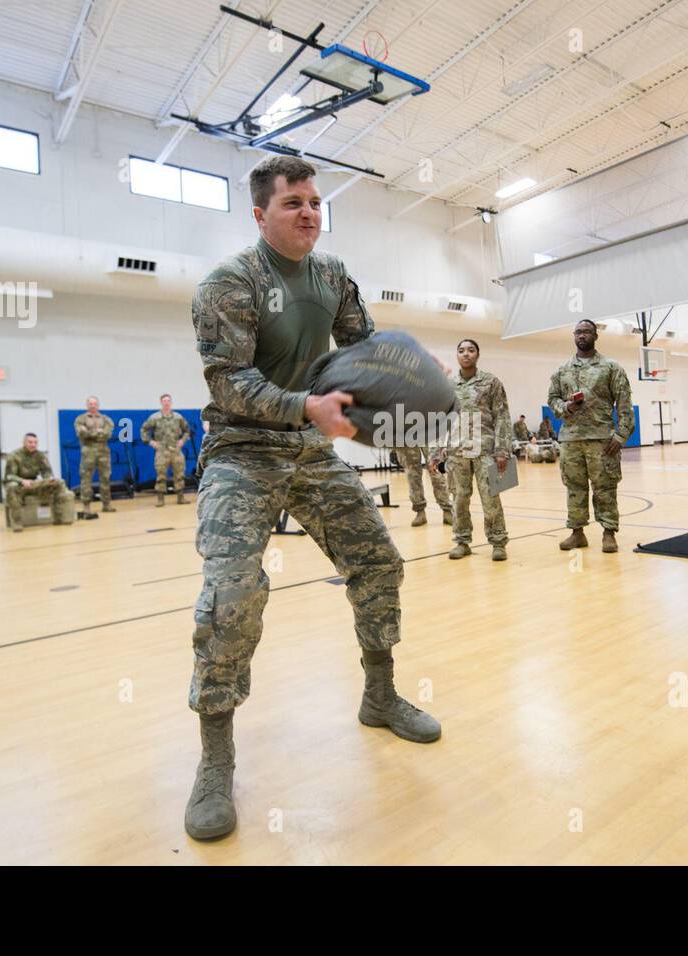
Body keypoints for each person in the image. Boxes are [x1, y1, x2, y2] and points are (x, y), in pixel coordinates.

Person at [185, 155, 440, 841]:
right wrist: (307, 406)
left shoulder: (332, 276)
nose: (308, 213)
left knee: (379, 563)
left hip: (308, 447)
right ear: (260, 213)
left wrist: (423, 414)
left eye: (316, 202)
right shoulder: (230, 283)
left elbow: (366, 352)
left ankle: (379, 696)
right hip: (242, 448)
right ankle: (215, 757)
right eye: (293, 202)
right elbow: (228, 383)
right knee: (234, 593)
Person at [547, 319, 635, 553]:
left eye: (586, 332)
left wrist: (621, 435)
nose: (582, 335)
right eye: (578, 332)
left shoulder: (610, 367)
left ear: (596, 336)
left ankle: (608, 533)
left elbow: (625, 404)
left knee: (604, 487)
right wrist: (566, 407)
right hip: (570, 439)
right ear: (573, 336)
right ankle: (577, 533)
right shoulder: (562, 370)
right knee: (574, 487)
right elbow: (552, 400)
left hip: (602, 440)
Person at [433, 339, 512, 561]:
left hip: (485, 450)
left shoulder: (490, 382)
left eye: (470, 350)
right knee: (459, 498)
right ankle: (461, 541)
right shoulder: (448, 385)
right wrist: (437, 451)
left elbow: (502, 416)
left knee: (491, 498)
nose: (466, 354)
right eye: (461, 351)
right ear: (457, 355)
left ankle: (498, 542)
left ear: (477, 354)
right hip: (457, 451)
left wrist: (502, 450)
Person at [3, 433, 75, 531]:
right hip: (19, 485)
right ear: (24, 442)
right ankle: (17, 522)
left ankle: (60, 517)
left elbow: (47, 472)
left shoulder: (40, 455)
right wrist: (22, 481)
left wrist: (49, 479)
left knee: (59, 483)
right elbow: (9, 476)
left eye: (35, 442)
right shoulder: (14, 456)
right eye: (30, 442)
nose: (33, 445)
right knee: (12, 486)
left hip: (33, 484)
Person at [142, 394, 192, 506]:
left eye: (168, 400)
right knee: (161, 475)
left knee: (179, 474)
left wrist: (182, 441)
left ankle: (181, 497)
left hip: (176, 450)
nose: (166, 402)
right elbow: (144, 430)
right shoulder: (154, 417)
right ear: (161, 402)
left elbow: (187, 431)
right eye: (164, 401)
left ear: (171, 402)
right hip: (161, 451)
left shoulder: (178, 417)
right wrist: (151, 442)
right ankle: (160, 499)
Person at [393, 444, 452, 526]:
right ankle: (420, 512)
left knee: (436, 470)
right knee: (412, 474)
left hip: (428, 433)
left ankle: (447, 510)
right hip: (405, 435)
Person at [74, 396, 115, 513]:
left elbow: (108, 434)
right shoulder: (80, 419)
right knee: (86, 479)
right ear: (87, 405)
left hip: (103, 452)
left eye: (95, 404)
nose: (93, 406)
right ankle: (86, 506)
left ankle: (106, 504)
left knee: (105, 478)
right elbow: (81, 434)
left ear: (98, 405)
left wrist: (89, 432)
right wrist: (97, 432)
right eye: (90, 404)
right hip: (88, 453)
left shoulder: (106, 419)